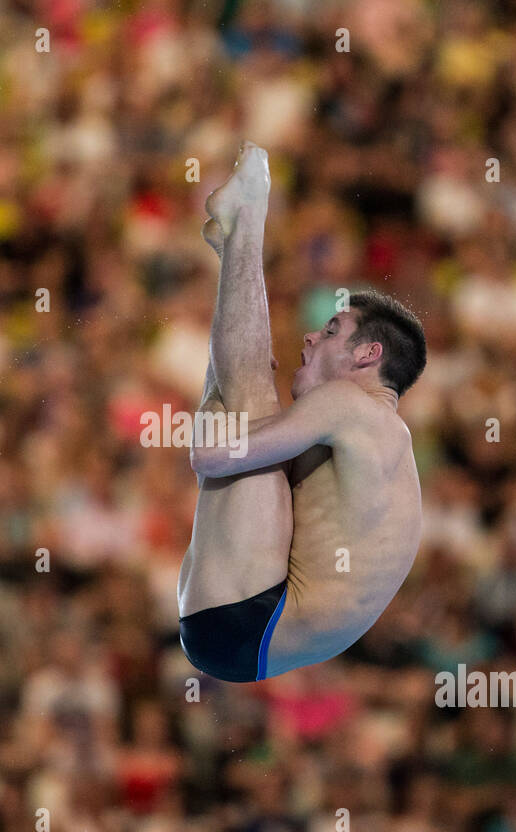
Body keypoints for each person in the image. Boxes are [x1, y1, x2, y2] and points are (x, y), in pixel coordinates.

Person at [177, 142, 426, 681]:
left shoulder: (348, 407)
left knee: (249, 395)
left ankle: (248, 216)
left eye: (332, 331)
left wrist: (221, 401)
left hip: (249, 616)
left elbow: (212, 456)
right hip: (246, 632)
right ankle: (234, 244)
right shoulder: (383, 441)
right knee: (244, 394)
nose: (311, 335)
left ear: (367, 356)